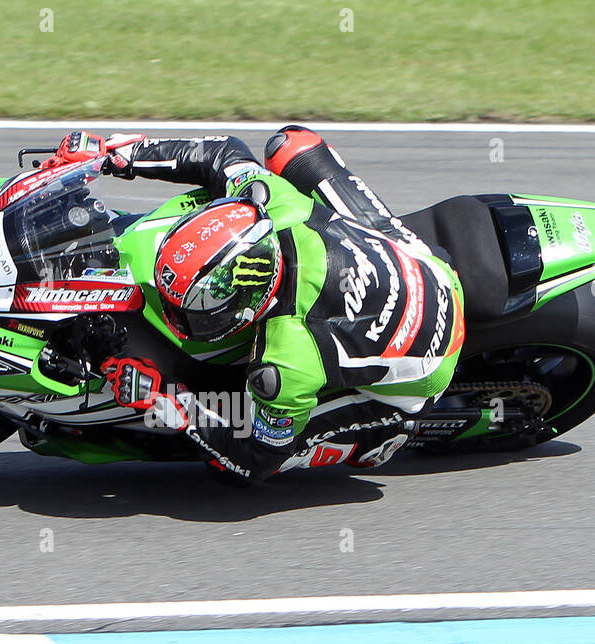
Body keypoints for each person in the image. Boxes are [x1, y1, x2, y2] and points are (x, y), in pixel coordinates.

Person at [45, 127, 465, 481]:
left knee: (243, 459)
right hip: (414, 257)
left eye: (196, 310)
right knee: (290, 143)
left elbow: (256, 459)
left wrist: (166, 401)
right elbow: (221, 152)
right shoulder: (274, 203)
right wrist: (119, 156)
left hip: (432, 358)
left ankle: (384, 433)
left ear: (249, 304)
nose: (180, 320)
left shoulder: (288, 360)